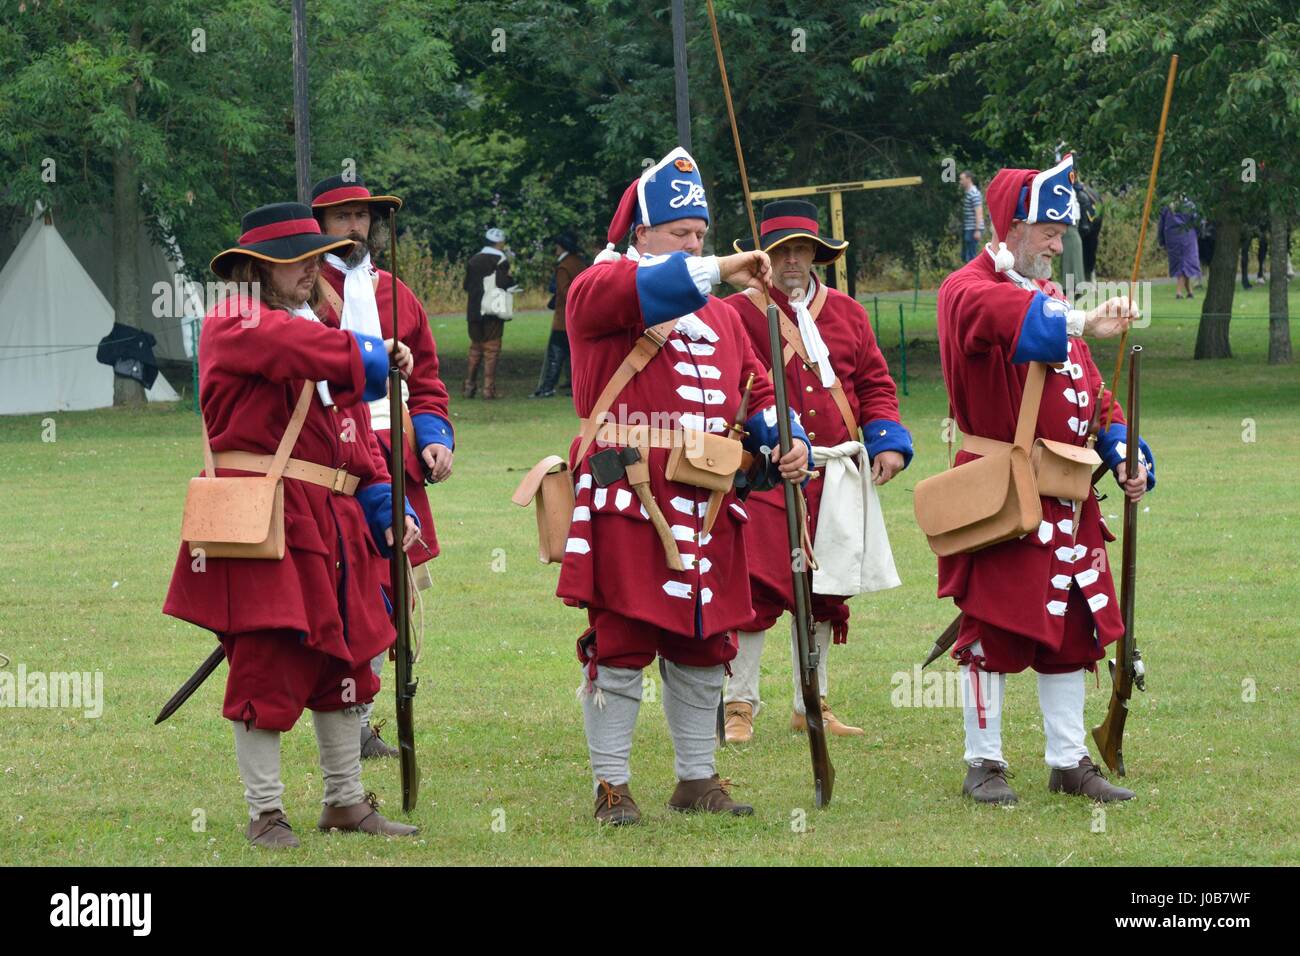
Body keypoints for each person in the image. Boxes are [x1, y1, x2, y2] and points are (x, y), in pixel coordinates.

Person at [556, 147, 812, 825]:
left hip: (706, 499)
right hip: (630, 496)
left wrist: (788, 440)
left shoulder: (726, 317)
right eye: (679, 234)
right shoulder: (598, 287)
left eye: (700, 234)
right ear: (641, 235)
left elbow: (758, 395)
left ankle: (696, 779)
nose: (694, 244)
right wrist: (719, 267)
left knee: (706, 644)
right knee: (620, 644)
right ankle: (612, 784)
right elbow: (651, 290)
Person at [163, 203, 421, 846]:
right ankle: (266, 813)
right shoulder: (236, 321)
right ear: (257, 268)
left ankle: (345, 802)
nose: (312, 268)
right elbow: (298, 349)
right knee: (268, 662)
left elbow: (352, 433)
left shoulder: (321, 328)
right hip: (268, 515)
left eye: (314, 258)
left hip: (331, 518)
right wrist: (373, 354)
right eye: (296, 260)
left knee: (347, 658)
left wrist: (385, 500)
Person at [935, 155, 1156, 806]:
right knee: (992, 631)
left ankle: (1068, 763)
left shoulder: (1051, 300)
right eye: (1049, 233)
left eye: (1063, 234)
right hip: (1002, 492)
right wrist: (1086, 320)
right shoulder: (967, 290)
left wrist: (1123, 450)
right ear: (1010, 225)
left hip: (1068, 494)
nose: (1060, 246)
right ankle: (985, 763)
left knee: (1069, 634)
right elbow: (1006, 319)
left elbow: (1094, 395)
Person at [721, 200, 913, 744]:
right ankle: (739, 705)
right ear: (765, 258)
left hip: (836, 472)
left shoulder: (848, 313)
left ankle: (813, 701)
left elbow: (875, 384)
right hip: (767, 473)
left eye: (801, 250)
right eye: (781, 252)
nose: (791, 262)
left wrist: (888, 442)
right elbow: (732, 385)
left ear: (815, 256)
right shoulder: (740, 312)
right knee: (758, 589)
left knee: (827, 592)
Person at [311, 174, 455, 758]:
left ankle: (363, 723)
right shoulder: (302, 294)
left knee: (390, 595)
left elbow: (427, 387)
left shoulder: (398, 294)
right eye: (342, 217)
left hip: (393, 465)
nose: (355, 227)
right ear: (318, 225)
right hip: (330, 463)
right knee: (345, 594)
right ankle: (338, 713)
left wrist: (435, 438)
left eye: (363, 217)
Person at [463, 227, 518, 399]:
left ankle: (469, 387)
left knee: (475, 349)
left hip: (473, 311)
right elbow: (503, 283)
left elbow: (466, 286)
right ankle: (488, 389)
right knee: (491, 350)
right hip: (492, 310)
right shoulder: (501, 260)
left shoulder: (474, 260)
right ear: (499, 243)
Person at [531, 231, 586, 399]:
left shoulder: (564, 266)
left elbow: (564, 291)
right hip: (578, 315)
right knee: (572, 353)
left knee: (555, 353)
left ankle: (548, 386)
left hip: (564, 317)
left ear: (562, 247)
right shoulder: (579, 262)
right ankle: (575, 385)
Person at [1157, 198, 1201, 299]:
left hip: (1172, 237)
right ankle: (1179, 292)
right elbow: (1197, 221)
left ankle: (1189, 291)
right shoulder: (1190, 205)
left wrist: (1162, 240)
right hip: (1188, 236)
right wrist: (1199, 233)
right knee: (1185, 264)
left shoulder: (1167, 206)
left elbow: (1161, 225)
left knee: (1181, 264)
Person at [959, 171, 985, 263]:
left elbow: (979, 212)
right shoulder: (969, 193)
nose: (960, 182)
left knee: (971, 256)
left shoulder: (974, 193)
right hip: (969, 228)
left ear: (968, 179)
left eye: (962, 179)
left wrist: (977, 230)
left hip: (973, 228)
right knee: (966, 255)